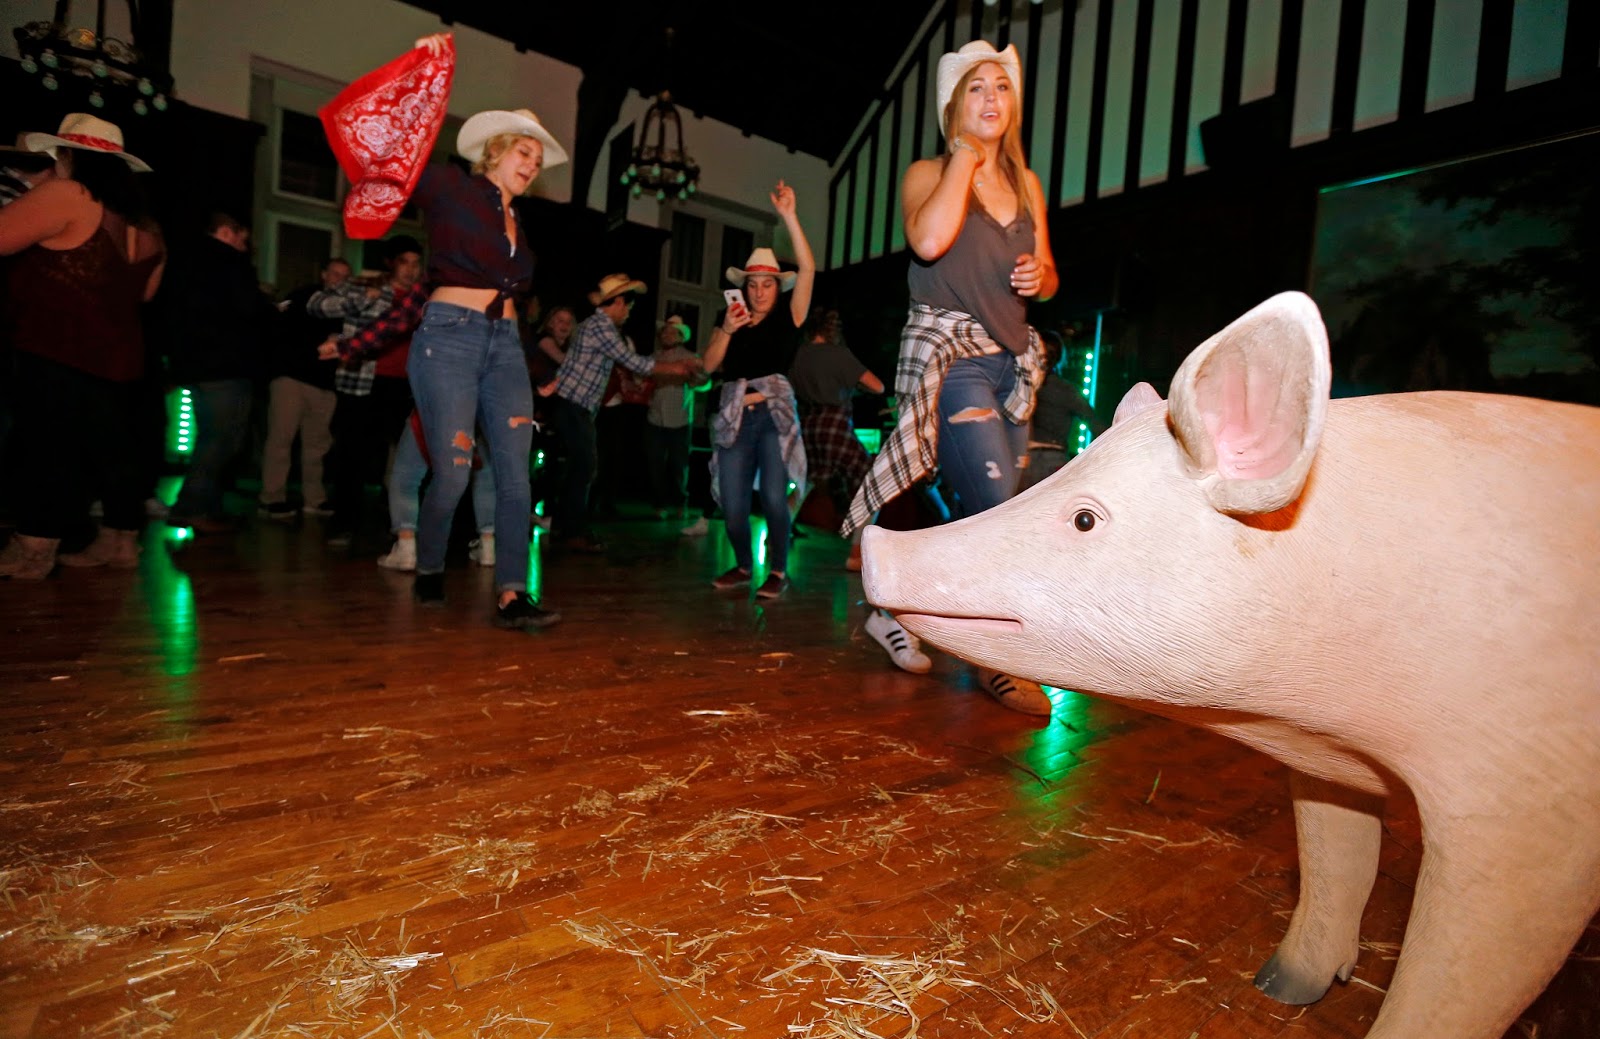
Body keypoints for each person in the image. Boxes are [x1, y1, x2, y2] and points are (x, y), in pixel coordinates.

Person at [842, 41, 1059, 716]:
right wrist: (964, 155)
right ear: (954, 106)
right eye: (975, 88)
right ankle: (995, 660)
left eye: (1001, 87)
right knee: (996, 509)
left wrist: (1038, 277)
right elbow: (929, 241)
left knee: (983, 504)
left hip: (1011, 360)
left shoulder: (1028, 185)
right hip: (950, 356)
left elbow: (1049, 274)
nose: (992, 98)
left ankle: (894, 603)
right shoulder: (927, 171)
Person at [322, 33, 564, 628]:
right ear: (495, 150)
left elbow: (515, 302)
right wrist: (426, 78)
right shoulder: (455, 188)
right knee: (452, 471)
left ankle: (512, 593)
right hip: (448, 339)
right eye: (523, 151)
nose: (531, 163)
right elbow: (396, 155)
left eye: (537, 157)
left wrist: (541, 366)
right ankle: (430, 561)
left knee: (514, 475)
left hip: (503, 346)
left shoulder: (518, 222)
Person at [0, 114, 165, 578]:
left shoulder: (68, 195)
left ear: (69, 156)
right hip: (122, 355)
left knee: (45, 448)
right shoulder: (146, 225)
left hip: (58, 345)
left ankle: (33, 550)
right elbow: (148, 293)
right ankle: (119, 543)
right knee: (107, 452)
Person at [700, 185, 816, 599]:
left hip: (772, 416)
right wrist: (727, 331)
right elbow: (708, 367)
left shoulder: (790, 314)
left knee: (771, 495)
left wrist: (789, 216)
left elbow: (807, 267)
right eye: (753, 284)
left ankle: (780, 570)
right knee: (731, 505)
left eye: (767, 285)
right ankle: (745, 565)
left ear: (776, 286)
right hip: (734, 417)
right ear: (744, 286)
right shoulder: (730, 317)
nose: (759, 291)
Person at [548, 274, 699, 552]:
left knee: (577, 469)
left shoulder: (594, 324)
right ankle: (573, 532)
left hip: (573, 407)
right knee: (584, 468)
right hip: (574, 407)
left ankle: (563, 526)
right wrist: (676, 369)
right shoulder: (601, 326)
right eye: (627, 306)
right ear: (617, 302)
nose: (628, 313)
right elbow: (633, 362)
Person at [161, 212, 277, 533]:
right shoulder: (230, 263)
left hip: (195, 364)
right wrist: (267, 305)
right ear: (227, 232)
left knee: (212, 436)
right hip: (226, 364)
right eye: (243, 238)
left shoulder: (184, 262)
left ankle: (206, 507)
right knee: (222, 438)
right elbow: (247, 310)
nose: (245, 245)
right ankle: (192, 506)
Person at [308, 236, 423, 546]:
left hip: (408, 386)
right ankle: (344, 522)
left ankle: (399, 525)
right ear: (392, 263)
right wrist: (359, 300)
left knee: (406, 459)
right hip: (365, 383)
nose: (411, 270)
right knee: (352, 455)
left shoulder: (424, 301)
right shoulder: (367, 288)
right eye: (404, 262)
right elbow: (316, 303)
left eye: (416, 264)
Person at [787, 308, 884, 569]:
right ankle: (856, 554)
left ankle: (777, 536)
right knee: (870, 487)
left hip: (809, 426)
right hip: (835, 425)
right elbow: (878, 386)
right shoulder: (837, 354)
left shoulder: (799, 356)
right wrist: (852, 384)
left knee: (804, 482)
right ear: (833, 329)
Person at [258, 256, 350, 521]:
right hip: (292, 378)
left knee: (317, 446)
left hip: (324, 384)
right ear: (323, 274)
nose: (338, 280)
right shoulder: (305, 296)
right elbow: (280, 322)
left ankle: (315, 499)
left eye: (344, 276)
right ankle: (271, 498)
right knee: (280, 440)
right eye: (334, 273)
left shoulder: (346, 308)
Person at [1021, 328, 1104, 490]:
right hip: (1053, 459)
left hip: (1025, 459)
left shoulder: (1021, 385)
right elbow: (1096, 424)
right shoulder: (1066, 390)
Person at [645, 315, 707, 518]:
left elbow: (705, 383)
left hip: (680, 419)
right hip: (656, 417)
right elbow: (640, 381)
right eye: (665, 331)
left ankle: (681, 504)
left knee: (679, 466)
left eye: (672, 331)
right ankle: (659, 505)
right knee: (656, 465)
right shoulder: (653, 358)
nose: (668, 334)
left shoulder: (691, 358)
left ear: (681, 336)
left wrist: (695, 381)